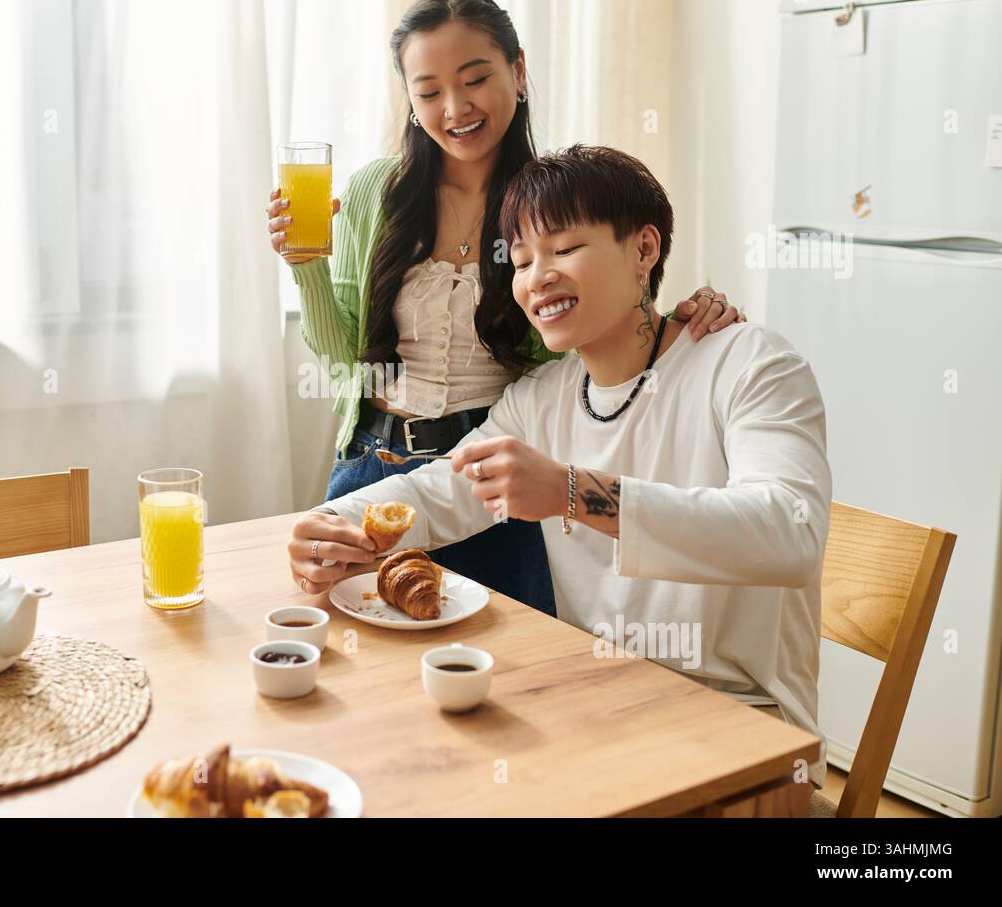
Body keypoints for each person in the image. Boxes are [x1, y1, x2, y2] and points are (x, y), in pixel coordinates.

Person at [287, 144, 831, 792]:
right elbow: (438, 492)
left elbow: (789, 535)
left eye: (565, 250)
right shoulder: (542, 398)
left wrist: (575, 493)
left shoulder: (748, 363)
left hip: (742, 723)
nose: (536, 277)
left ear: (644, 249)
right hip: (594, 698)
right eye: (520, 261)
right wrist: (331, 523)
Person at [266, 0, 744, 617]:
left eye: (474, 79)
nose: (455, 108)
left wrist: (682, 316)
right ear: (409, 100)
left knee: (502, 674)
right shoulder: (373, 193)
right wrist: (307, 270)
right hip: (372, 467)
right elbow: (343, 353)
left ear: (518, 71)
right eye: (429, 90)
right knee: (362, 674)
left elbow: (593, 317)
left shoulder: (547, 204)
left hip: (495, 479)